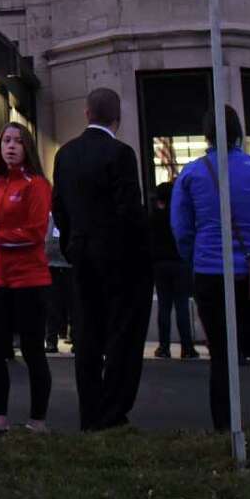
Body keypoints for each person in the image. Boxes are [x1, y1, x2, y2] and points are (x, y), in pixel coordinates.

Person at [172, 106, 250, 431]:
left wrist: (196, 258)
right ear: (239, 132)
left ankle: (225, 430)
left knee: (221, 359)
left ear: (207, 134)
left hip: (211, 272)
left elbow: (182, 228)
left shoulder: (192, 173)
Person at [51, 86, 153, 431]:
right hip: (119, 258)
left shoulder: (65, 155)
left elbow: (59, 208)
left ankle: (90, 412)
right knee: (123, 335)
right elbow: (130, 210)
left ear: (87, 113)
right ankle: (113, 409)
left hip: (81, 255)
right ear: (117, 118)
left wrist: (72, 244)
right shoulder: (121, 154)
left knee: (87, 336)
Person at [0, 122, 54, 434]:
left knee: (33, 351)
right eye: (6, 141)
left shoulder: (37, 184)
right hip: (2, 280)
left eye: (18, 141)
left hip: (31, 281)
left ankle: (38, 421)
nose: (10, 146)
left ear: (28, 148)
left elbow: (35, 233)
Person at [148, 181, 196, 361]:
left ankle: (164, 346)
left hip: (160, 264)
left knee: (164, 307)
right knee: (181, 305)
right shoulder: (180, 216)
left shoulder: (153, 218)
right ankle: (187, 346)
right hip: (180, 262)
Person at [44, 217, 73, 354]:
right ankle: (51, 341)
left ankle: (75, 339)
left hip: (69, 265)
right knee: (51, 306)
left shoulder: (70, 214)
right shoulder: (48, 216)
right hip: (51, 265)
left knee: (73, 306)